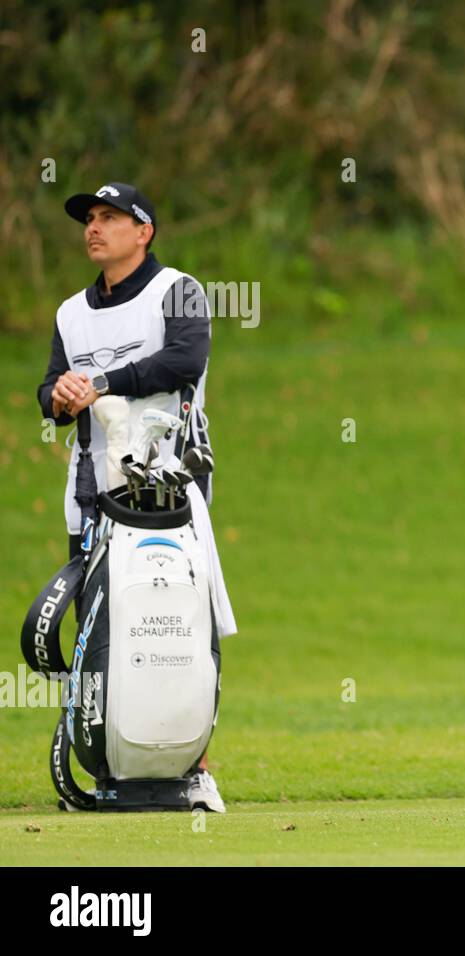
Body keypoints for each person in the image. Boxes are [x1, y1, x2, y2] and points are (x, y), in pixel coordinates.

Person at [36, 181, 235, 813]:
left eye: (109, 218)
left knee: (186, 622)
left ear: (142, 231)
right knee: (96, 628)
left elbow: (181, 363)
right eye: (89, 219)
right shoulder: (71, 312)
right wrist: (62, 398)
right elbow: (48, 393)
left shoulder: (178, 290)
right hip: (92, 491)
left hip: (173, 489)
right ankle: (104, 766)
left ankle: (194, 767)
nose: (94, 228)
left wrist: (100, 381)